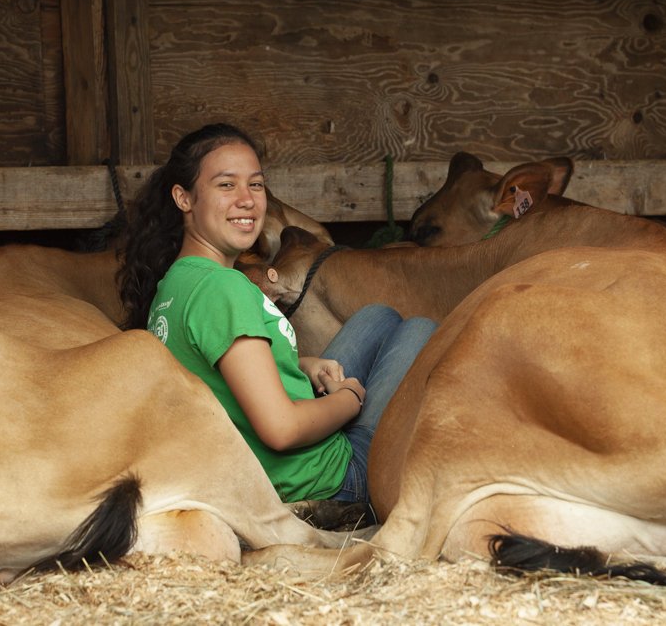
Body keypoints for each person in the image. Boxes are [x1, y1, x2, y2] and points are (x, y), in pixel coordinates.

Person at [118, 123, 437, 509]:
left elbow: (215, 369)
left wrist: (303, 366)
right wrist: (350, 400)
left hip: (259, 461)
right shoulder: (224, 289)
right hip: (322, 480)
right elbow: (281, 429)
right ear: (184, 199)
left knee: (378, 316)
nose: (247, 200)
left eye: (255, 185)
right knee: (421, 327)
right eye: (225, 185)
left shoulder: (174, 283)